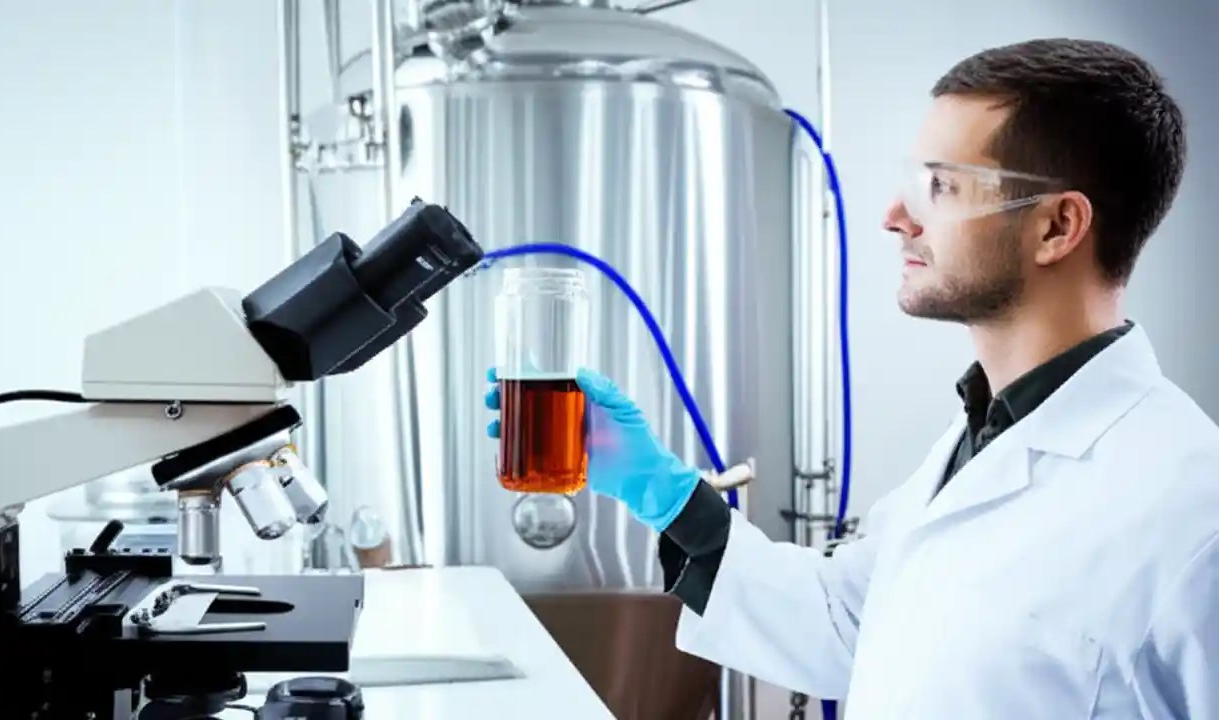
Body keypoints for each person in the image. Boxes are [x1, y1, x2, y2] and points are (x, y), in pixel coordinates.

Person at [485, 38, 1218, 718]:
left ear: (1058, 227)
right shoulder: (978, 442)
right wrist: (667, 494)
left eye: (943, 186)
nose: (896, 216)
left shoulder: (1192, 512)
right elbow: (846, 625)